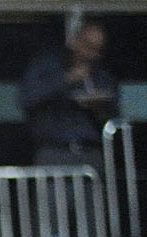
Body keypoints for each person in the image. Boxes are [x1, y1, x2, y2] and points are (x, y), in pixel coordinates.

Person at [19, 17, 117, 167]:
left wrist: (98, 108)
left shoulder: (101, 76)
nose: (90, 54)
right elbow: (27, 98)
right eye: (87, 46)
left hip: (89, 153)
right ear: (76, 40)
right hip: (53, 151)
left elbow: (112, 118)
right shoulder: (47, 66)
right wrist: (67, 79)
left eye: (97, 50)